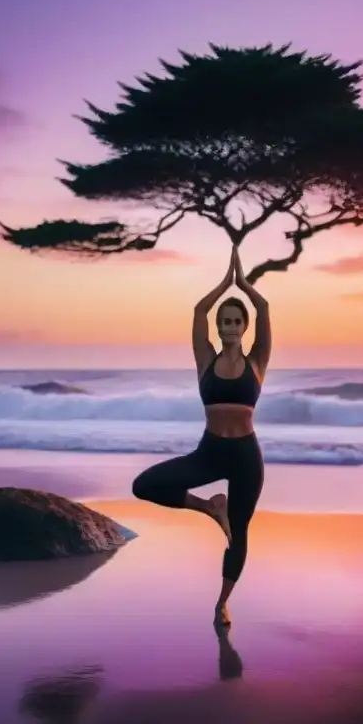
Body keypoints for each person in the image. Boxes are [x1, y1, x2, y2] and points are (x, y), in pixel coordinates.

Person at [131, 244, 270, 627]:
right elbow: (197, 312)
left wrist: (244, 284)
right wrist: (225, 283)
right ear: (218, 327)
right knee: (144, 485)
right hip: (210, 452)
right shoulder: (205, 360)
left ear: (244, 328)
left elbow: (264, 310)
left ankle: (222, 603)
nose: (230, 327)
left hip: (245, 456)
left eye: (236, 322)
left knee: (238, 533)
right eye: (224, 322)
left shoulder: (256, 362)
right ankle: (209, 507)